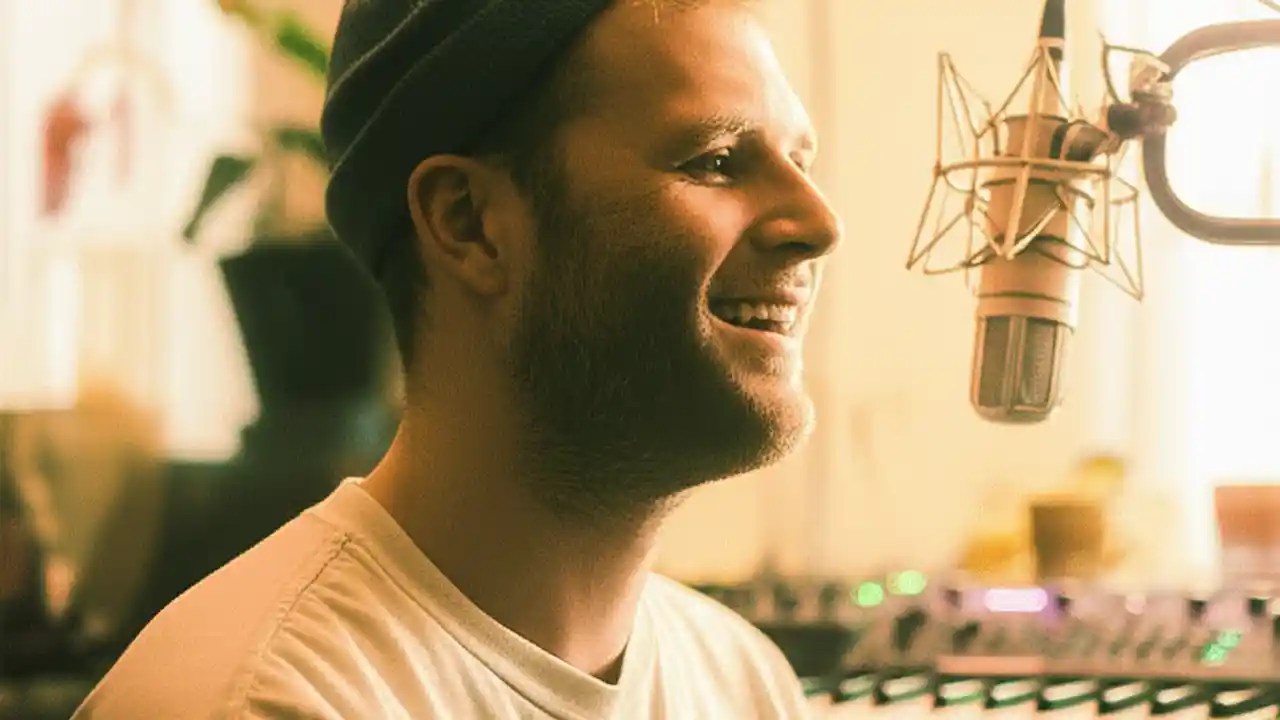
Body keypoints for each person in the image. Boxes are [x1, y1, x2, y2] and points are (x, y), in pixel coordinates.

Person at [74, 0, 843, 717]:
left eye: (798, 160)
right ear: (469, 223)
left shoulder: (743, 682)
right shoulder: (270, 698)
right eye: (714, 160)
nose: (818, 222)